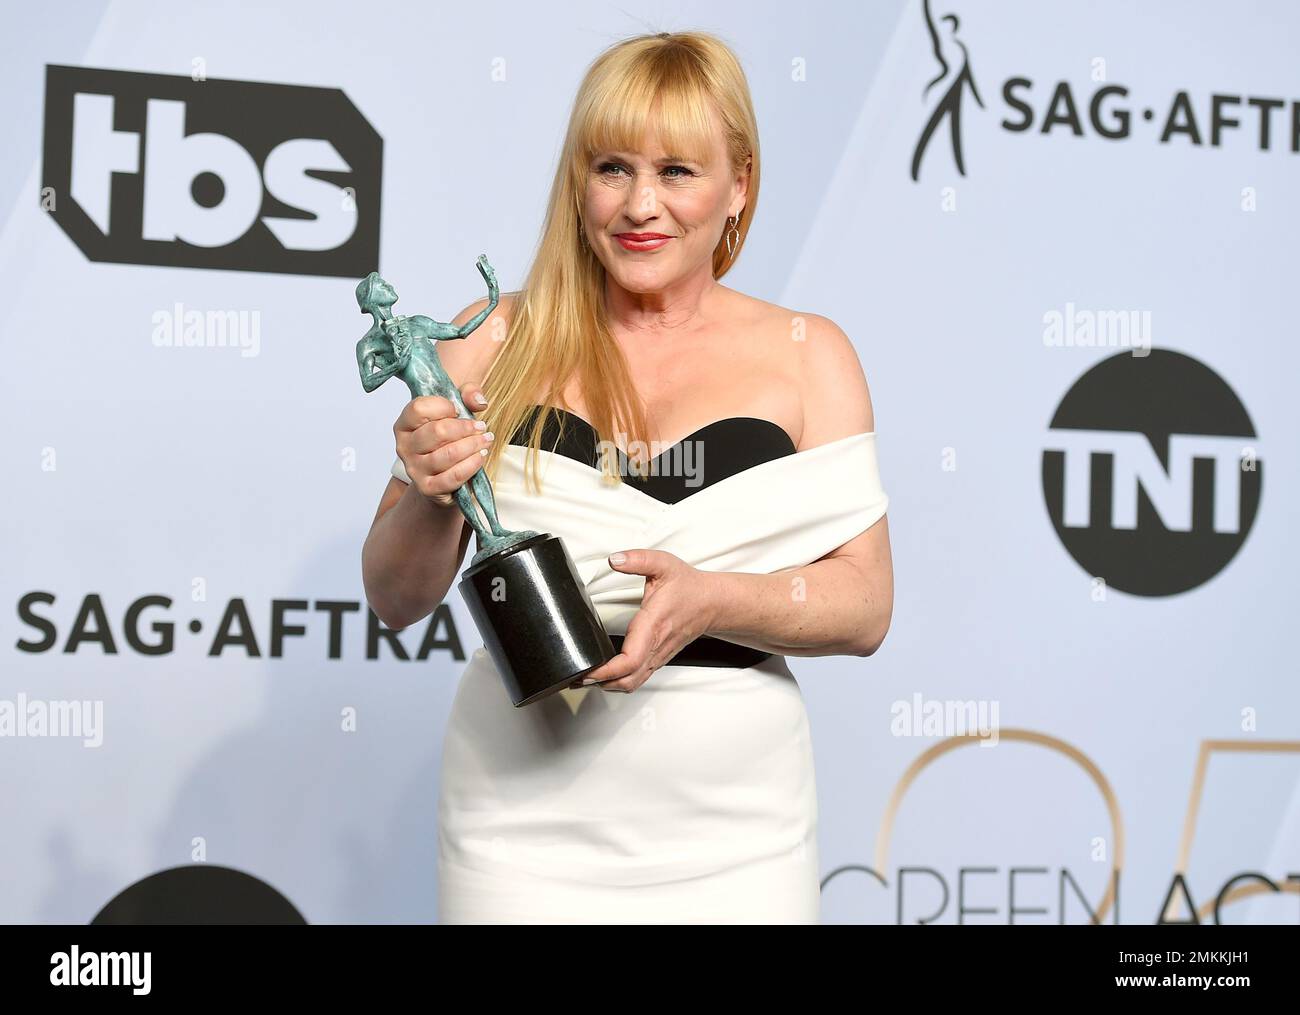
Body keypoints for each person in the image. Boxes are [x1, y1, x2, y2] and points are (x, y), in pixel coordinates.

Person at [361, 30, 893, 924]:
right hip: (518, 827)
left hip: (739, 831)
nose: (641, 205)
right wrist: (427, 492)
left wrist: (714, 599)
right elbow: (395, 597)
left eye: (678, 171)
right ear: (579, 183)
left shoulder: (811, 356)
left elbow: (865, 604)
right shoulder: (491, 337)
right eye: (612, 167)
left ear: (740, 186)